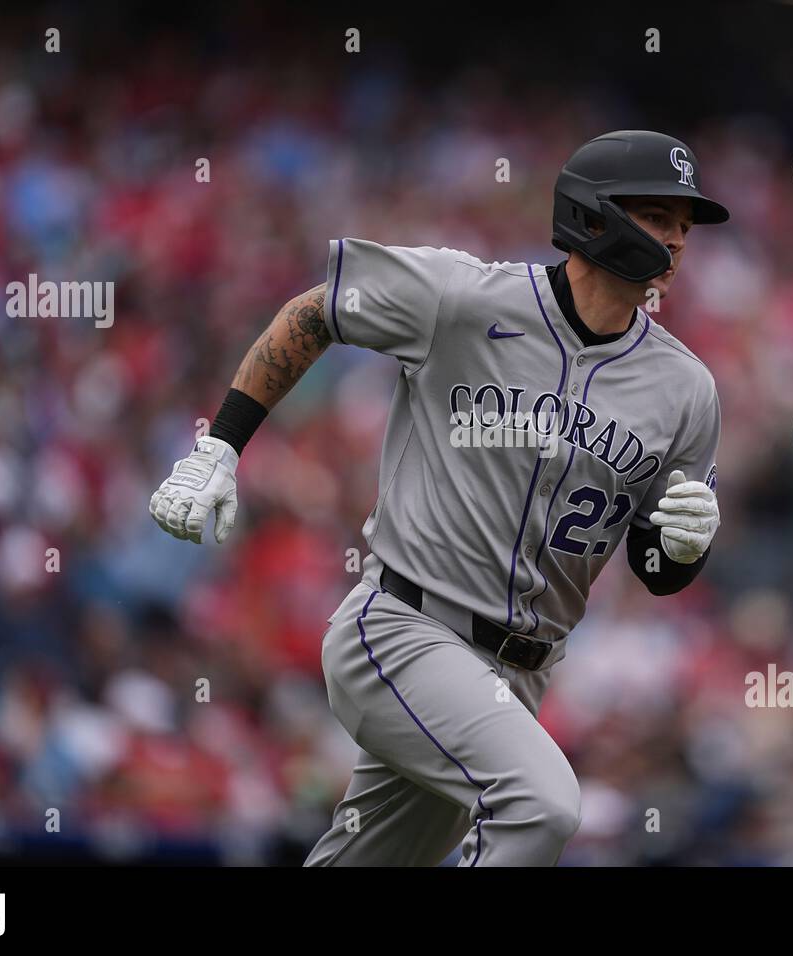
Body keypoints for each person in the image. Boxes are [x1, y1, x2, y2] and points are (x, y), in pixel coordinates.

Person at [148, 130, 728, 866]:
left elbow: (657, 567)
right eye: (658, 216)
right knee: (542, 806)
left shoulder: (686, 389)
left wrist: (682, 547)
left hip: (519, 674)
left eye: (685, 225)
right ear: (595, 216)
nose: (677, 241)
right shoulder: (462, 296)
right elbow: (317, 312)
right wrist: (221, 444)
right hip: (402, 629)